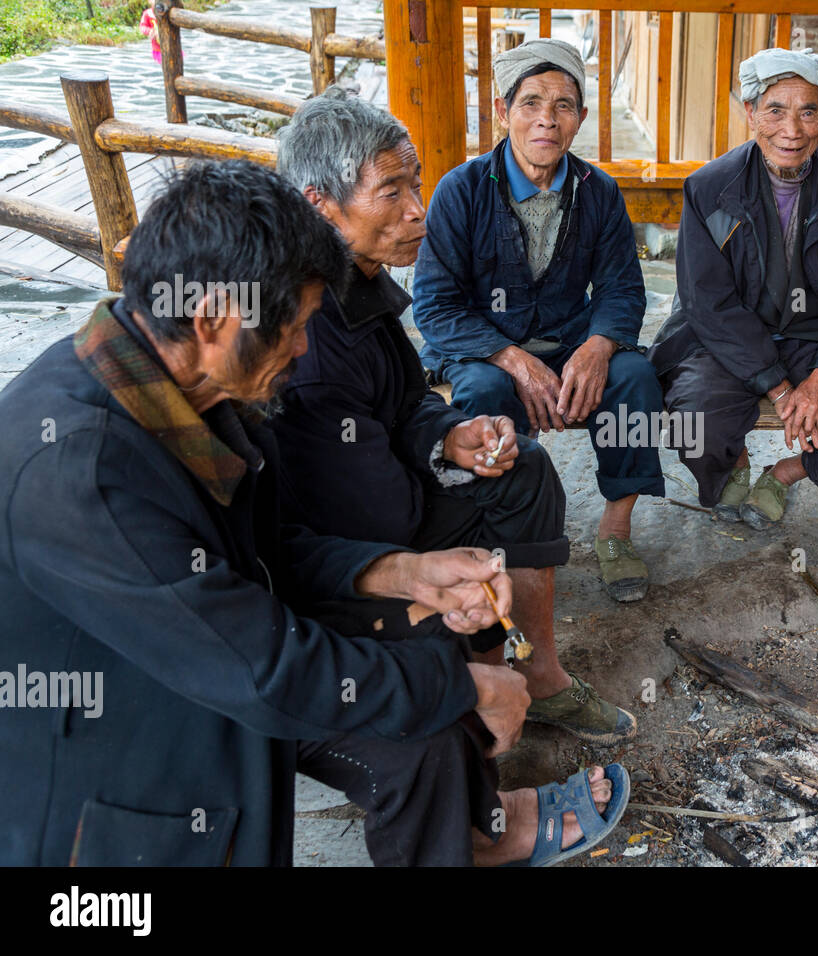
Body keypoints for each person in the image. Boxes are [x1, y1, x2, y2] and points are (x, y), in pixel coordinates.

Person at [0, 159, 627, 867]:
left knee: (423, 668)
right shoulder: (79, 470)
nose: (303, 346)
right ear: (213, 319)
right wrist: (459, 685)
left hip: (215, 652)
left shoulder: (190, 385)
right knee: (431, 692)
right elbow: (258, 667)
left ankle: (468, 835)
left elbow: (259, 555)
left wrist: (402, 573)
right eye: (294, 327)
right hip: (127, 747)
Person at [271, 87, 635, 745]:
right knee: (491, 501)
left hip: (382, 493)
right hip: (342, 552)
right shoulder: (307, 334)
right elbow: (373, 514)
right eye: (392, 192)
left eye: (416, 184)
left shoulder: (359, 280)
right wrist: (451, 474)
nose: (419, 212)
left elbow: (408, 401)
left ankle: (537, 678)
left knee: (521, 465)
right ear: (317, 202)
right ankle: (483, 688)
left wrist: (451, 437)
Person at [413, 38, 665, 603]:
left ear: (579, 120)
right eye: (530, 103)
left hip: (571, 340)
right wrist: (512, 357)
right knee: (480, 391)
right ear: (503, 113)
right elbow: (433, 305)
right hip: (488, 349)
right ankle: (497, 527)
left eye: (563, 106)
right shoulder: (461, 190)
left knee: (635, 379)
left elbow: (623, 287)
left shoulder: (597, 191)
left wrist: (599, 345)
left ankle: (617, 530)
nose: (545, 121)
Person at [647, 48, 818, 529]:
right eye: (775, 110)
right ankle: (736, 463)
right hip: (724, 343)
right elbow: (709, 301)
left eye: (808, 111)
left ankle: (785, 474)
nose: (792, 130)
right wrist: (779, 386)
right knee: (694, 419)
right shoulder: (709, 189)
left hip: (817, 341)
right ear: (750, 114)